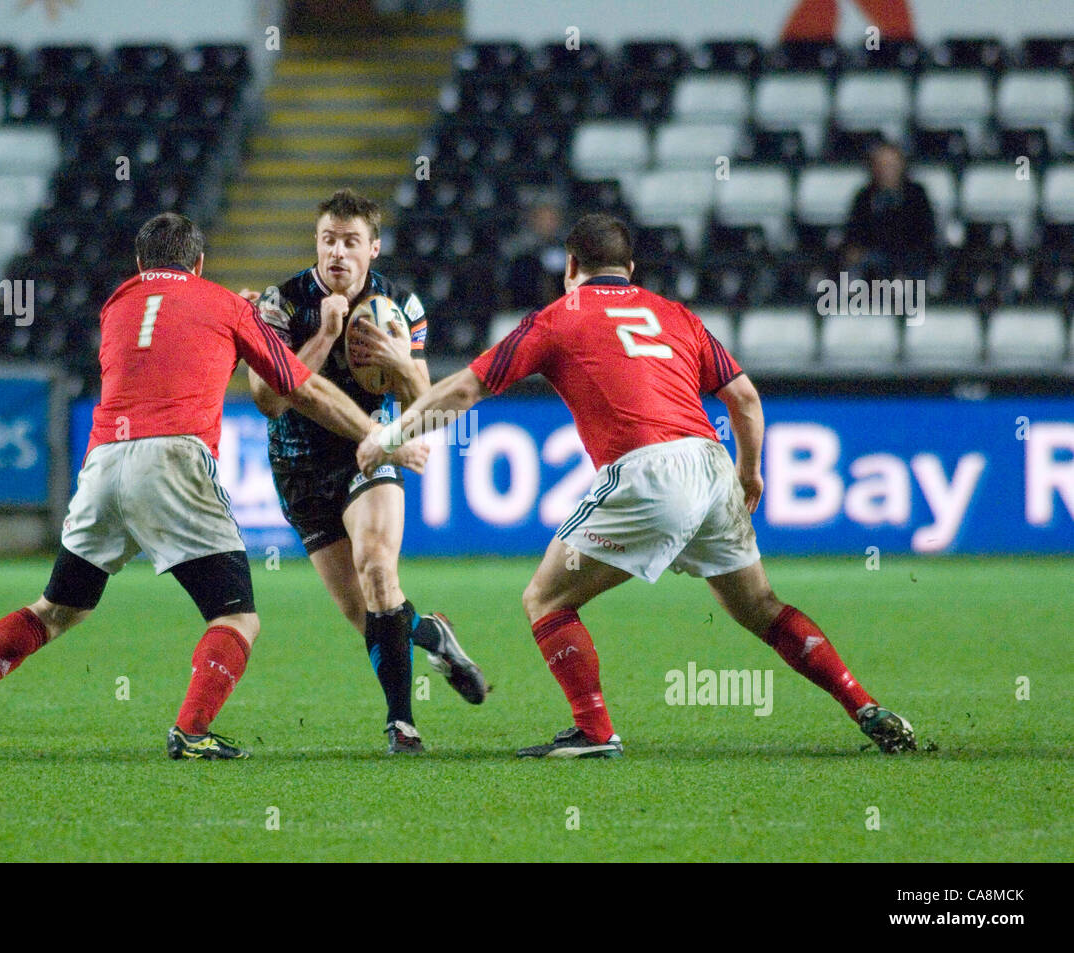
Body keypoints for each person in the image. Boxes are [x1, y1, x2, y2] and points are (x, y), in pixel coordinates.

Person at [359, 212, 917, 758]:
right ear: (630, 267)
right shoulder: (675, 314)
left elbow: (465, 390)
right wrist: (750, 471)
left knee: (546, 599)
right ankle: (862, 703)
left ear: (571, 265)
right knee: (761, 608)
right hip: (711, 464)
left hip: (649, 470)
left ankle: (595, 731)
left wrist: (388, 437)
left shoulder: (558, 315)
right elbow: (743, 398)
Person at [0, 212, 424, 761]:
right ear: (199, 263)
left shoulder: (117, 304)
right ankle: (192, 731)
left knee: (57, 609)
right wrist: (375, 432)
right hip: (174, 460)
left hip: (104, 463)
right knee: (236, 617)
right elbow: (301, 390)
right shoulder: (224, 304)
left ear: (139, 264)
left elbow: (173, 353)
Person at [242, 188, 488, 756]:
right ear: (316, 243)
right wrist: (326, 333)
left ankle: (401, 724)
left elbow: (428, 406)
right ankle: (432, 635)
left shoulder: (402, 306)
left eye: (351, 242)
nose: (337, 253)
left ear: (373, 248)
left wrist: (401, 364)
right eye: (328, 240)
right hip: (300, 468)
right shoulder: (280, 305)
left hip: (371, 457)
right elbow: (269, 401)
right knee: (367, 615)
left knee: (378, 570)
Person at [843, 141, 936, 283]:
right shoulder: (864, 197)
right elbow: (854, 233)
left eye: (891, 165)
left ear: (901, 166)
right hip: (873, 258)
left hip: (909, 257)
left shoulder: (916, 195)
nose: (886, 171)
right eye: (881, 165)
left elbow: (925, 234)